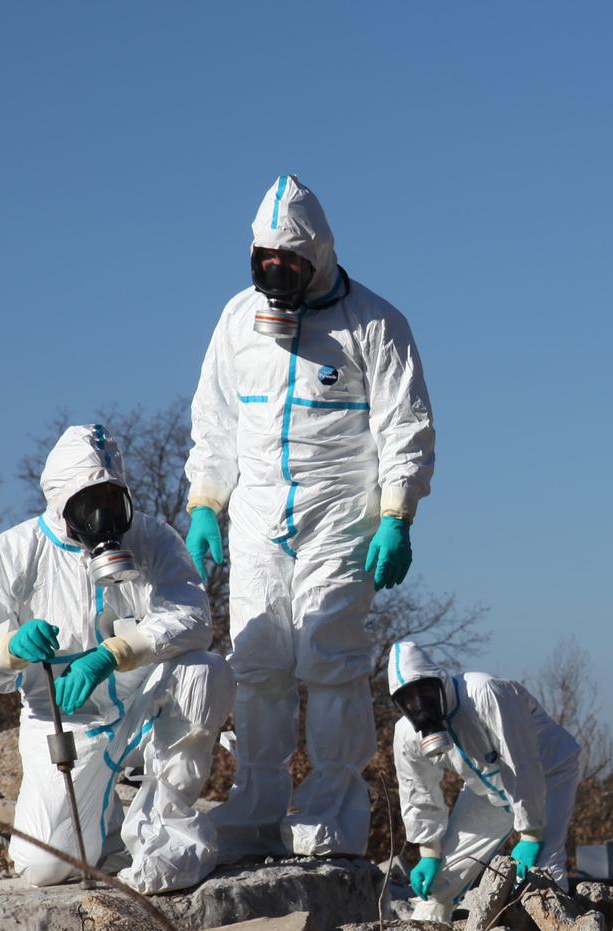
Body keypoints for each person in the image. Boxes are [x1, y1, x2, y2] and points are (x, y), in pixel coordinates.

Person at [184, 175, 436, 860]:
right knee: (258, 660)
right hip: (258, 517)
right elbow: (214, 421)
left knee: (329, 659)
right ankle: (258, 804)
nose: (274, 274)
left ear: (319, 256)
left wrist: (398, 515)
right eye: (263, 261)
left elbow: (405, 427)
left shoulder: (376, 325)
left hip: (340, 520)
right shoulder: (239, 321)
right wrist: (206, 503)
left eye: (287, 263)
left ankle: (331, 811)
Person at [0, 425, 235, 892]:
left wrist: (112, 654)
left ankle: (169, 829)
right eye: (86, 503)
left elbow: (192, 616)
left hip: (144, 699)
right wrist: (9, 648)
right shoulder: (13, 553)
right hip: (64, 719)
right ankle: (109, 832)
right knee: (46, 866)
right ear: (60, 504)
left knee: (204, 672)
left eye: (110, 500)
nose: (102, 516)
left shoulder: (152, 539)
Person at [386, 642, 581, 921]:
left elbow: (521, 762)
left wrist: (531, 835)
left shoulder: (484, 693)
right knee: (439, 884)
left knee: (542, 871)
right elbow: (418, 793)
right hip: (486, 788)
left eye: (425, 692)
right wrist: (429, 852)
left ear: (440, 681)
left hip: (548, 771)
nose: (419, 705)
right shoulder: (406, 735)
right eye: (407, 700)